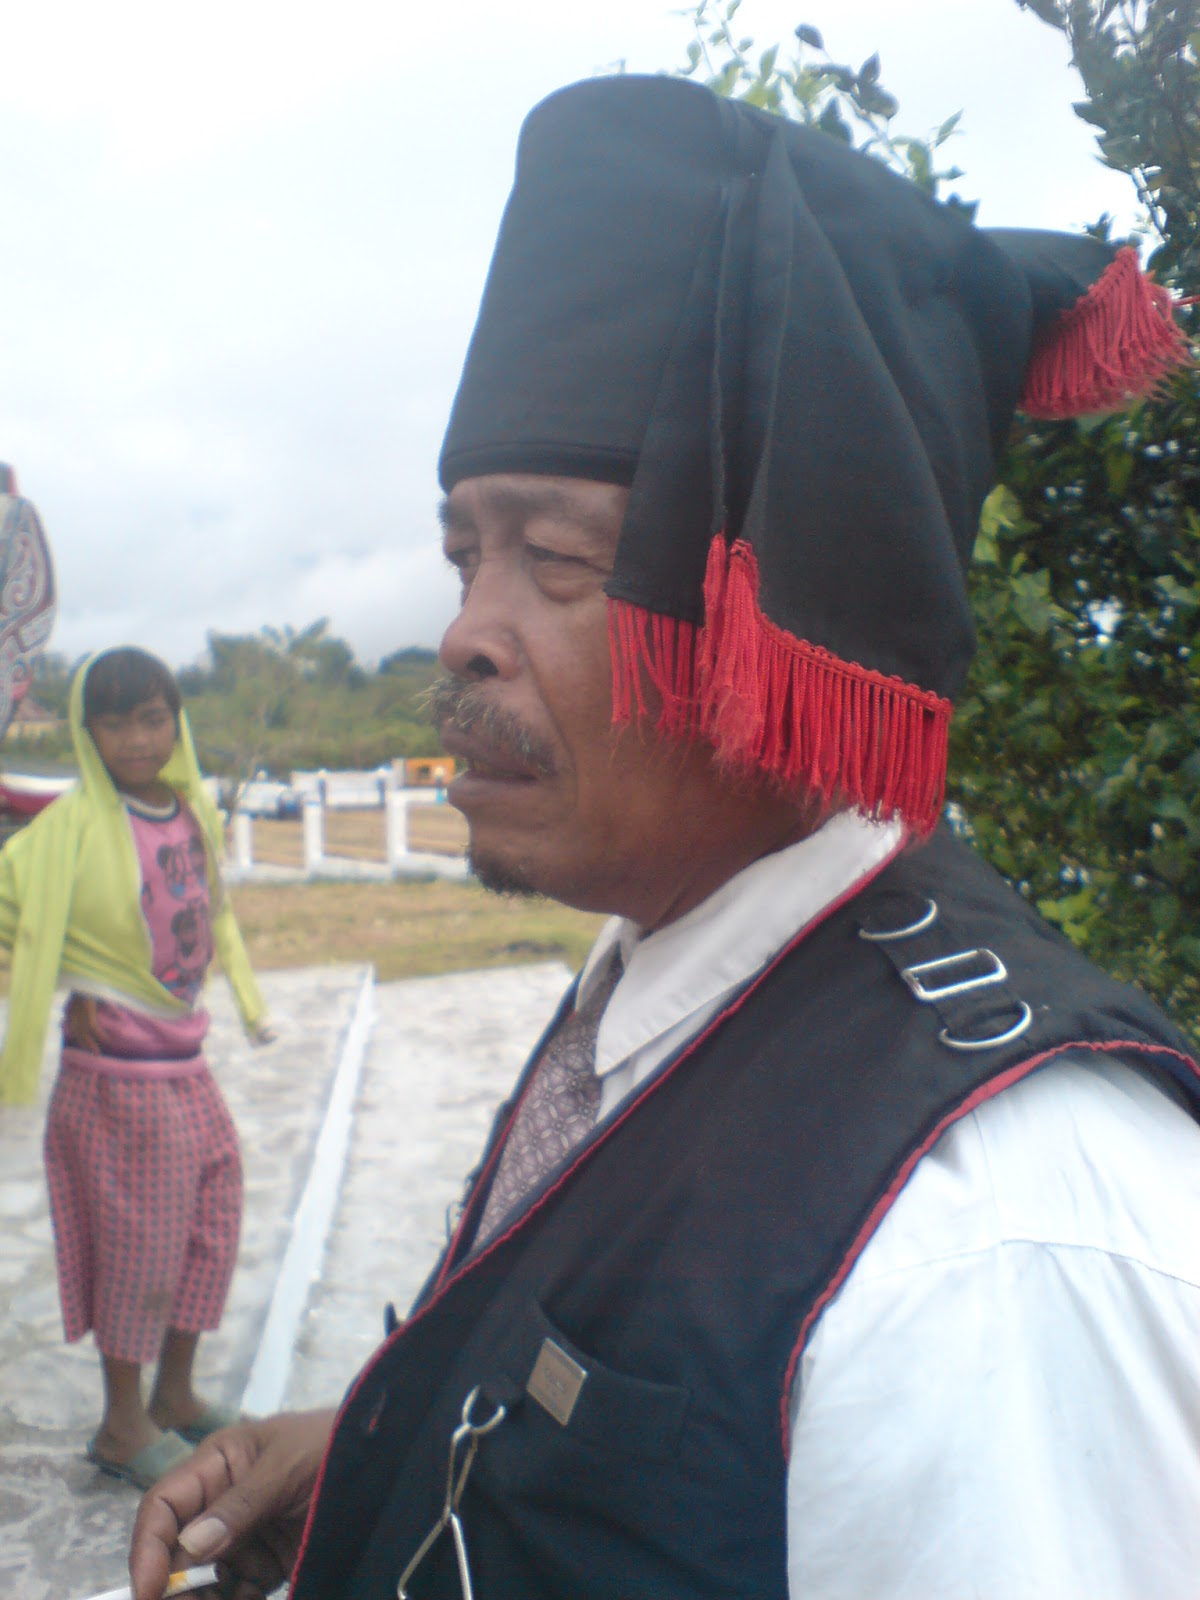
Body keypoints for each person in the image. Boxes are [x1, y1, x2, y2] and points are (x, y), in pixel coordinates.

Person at [131, 75, 1200, 1600]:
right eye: (462, 552)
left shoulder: (996, 1243)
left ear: (789, 611)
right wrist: (373, 1444)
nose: (463, 635)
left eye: (554, 559)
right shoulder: (670, 974)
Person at [0, 646, 272, 1491]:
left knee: (213, 1221)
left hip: (183, 1059)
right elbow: (13, 908)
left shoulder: (191, 813)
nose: (136, 737)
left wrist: (252, 1003)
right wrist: (61, 981)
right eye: (113, 721)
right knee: (139, 1248)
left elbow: (211, 913)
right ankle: (123, 1424)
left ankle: (177, 1393)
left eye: (153, 716)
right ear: (88, 733)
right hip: (114, 1076)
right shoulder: (65, 833)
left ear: (175, 720)